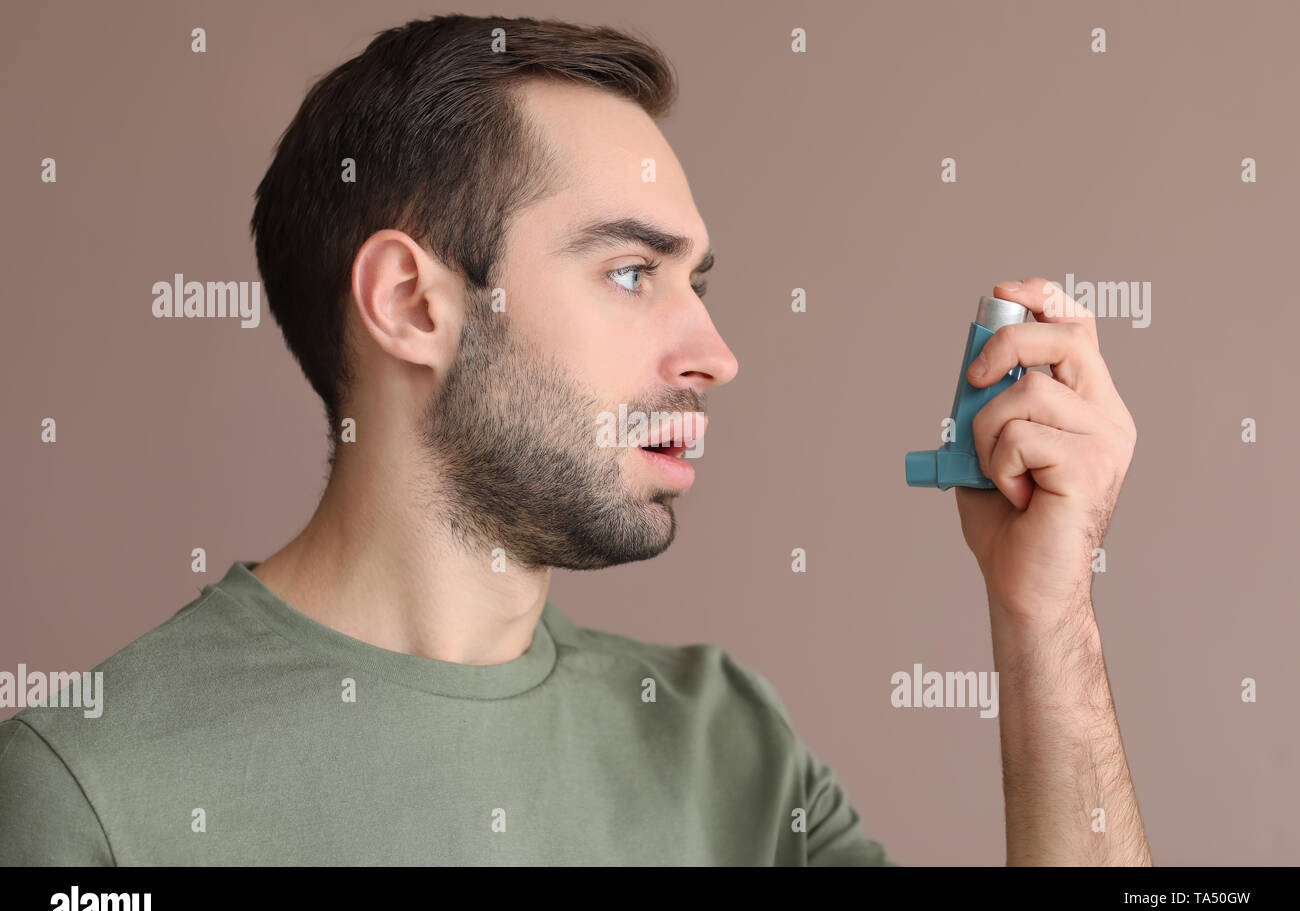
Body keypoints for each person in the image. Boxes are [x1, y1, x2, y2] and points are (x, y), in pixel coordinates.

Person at [0, 13, 1149, 866]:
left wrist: (1043, 619)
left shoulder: (730, 746)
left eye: (697, 281)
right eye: (632, 270)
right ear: (411, 302)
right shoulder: (90, 790)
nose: (714, 352)